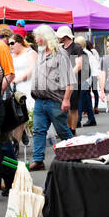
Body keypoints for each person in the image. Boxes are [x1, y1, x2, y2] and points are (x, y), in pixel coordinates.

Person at [28, 25, 73, 171]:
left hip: (55, 100)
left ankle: (76, 153)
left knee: (62, 131)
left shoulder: (60, 53)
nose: (36, 39)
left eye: (37, 36)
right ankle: (38, 160)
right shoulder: (40, 53)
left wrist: (66, 99)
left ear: (45, 36)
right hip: (40, 100)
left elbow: (70, 80)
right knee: (38, 130)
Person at [71, 33, 96, 128]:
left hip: (83, 79)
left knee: (79, 100)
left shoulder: (83, 53)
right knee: (87, 100)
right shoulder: (87, 53)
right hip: (86, 79)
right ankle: (91, 118)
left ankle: (78, 119)